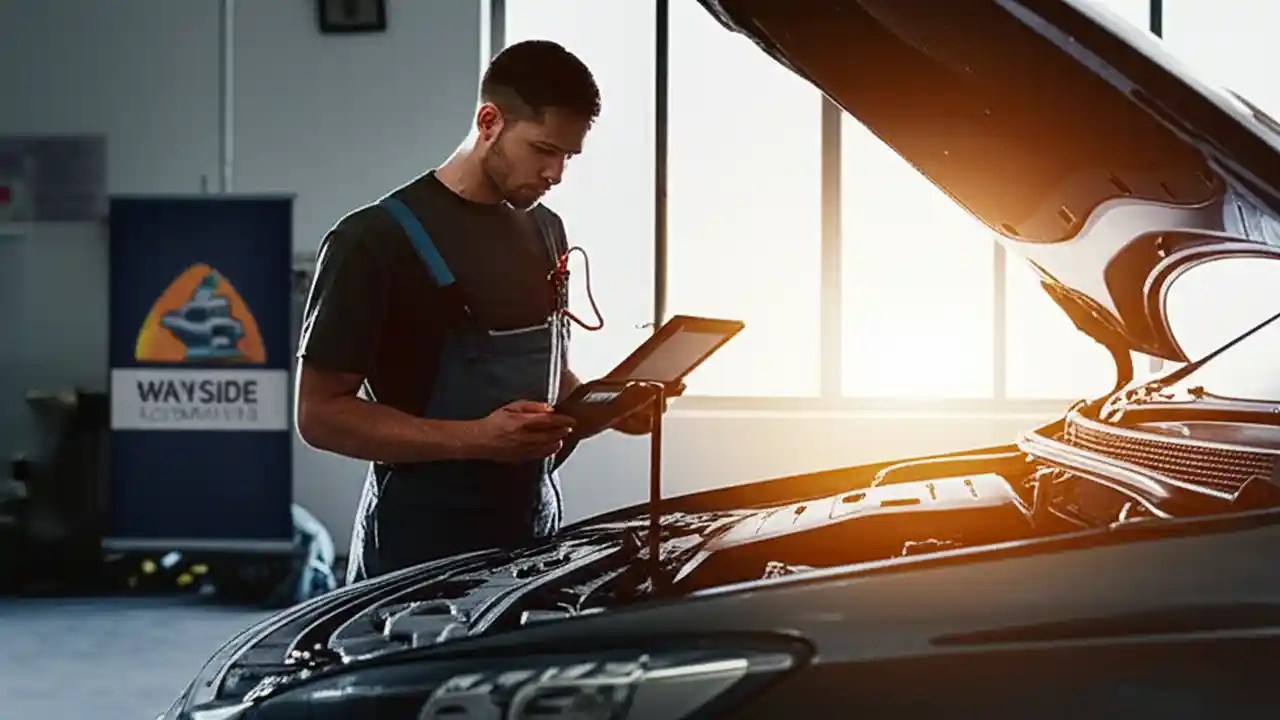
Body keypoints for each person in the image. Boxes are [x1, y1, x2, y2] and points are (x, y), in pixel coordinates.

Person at [295, 40, 664, 585]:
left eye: (568, 156)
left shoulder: (546, 231)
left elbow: (545, 371)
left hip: (532, 530)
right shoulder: (373, 241)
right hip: (417, 547)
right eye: (543, 149)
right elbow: (319, 414)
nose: (556, 173)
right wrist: (477, 439)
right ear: (489, 121)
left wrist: (607, 406)